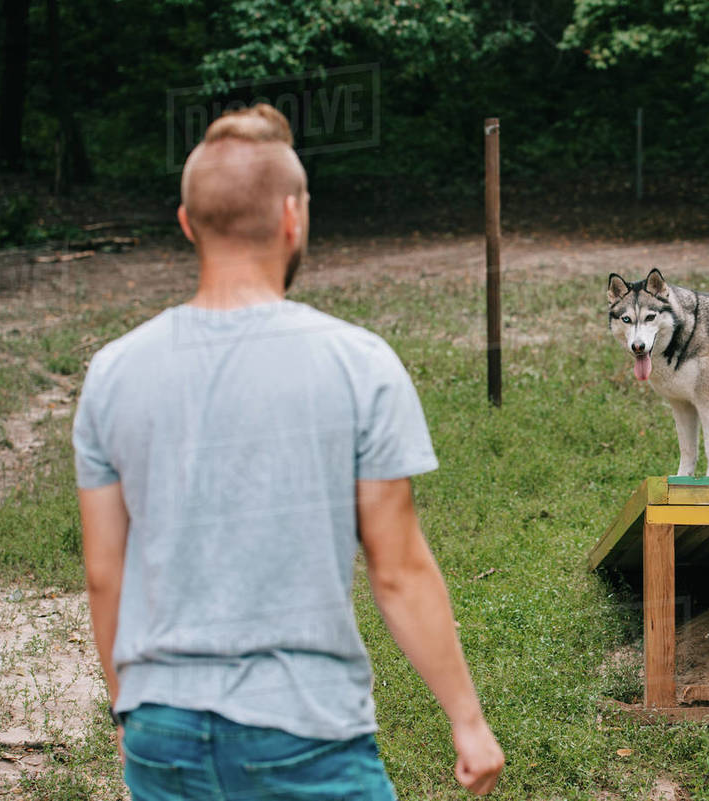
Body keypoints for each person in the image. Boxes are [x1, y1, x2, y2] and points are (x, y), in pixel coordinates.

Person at [74, 103, 504, 799]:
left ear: (187, 224)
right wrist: (469, 719)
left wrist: (131, 706)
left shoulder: (112, 373)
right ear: (293, 217)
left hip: (164, 731)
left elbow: (104, 571)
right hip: (307, 732)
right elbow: (397, 571)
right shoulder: (359, 365)